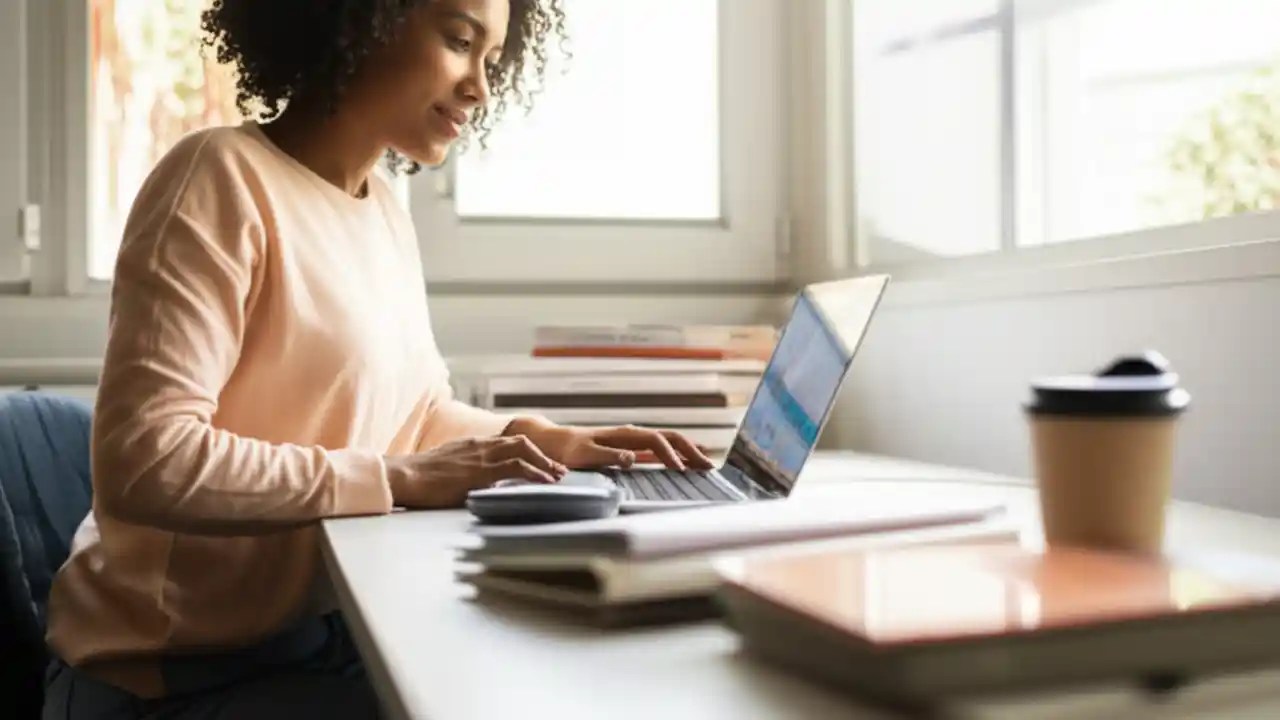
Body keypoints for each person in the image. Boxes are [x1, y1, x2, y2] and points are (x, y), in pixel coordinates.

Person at [42, 1, 713, 717]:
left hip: (302, 641)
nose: (480, 88)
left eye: (491, 58)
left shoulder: (383, 211)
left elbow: (417, 415)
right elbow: (148, 462)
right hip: (165, 677)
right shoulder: (217, 180)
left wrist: (541, 441)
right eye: (459, 42)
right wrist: (393, 480)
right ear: (360, 17)